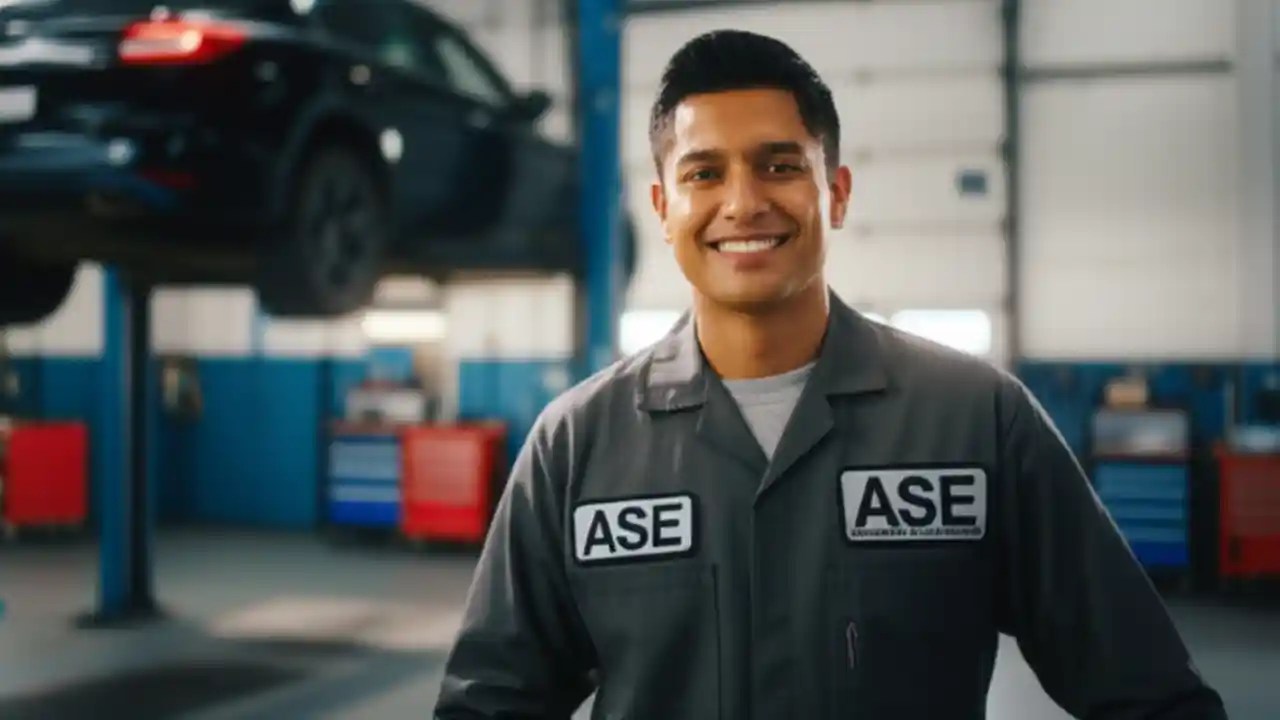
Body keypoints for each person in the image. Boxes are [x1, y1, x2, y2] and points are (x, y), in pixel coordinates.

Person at [434, 29, 1227, 720]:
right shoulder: (576, 447)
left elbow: (1148, 693)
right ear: (663, 206)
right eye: (704, 174)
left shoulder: (976, 420)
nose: (742, 203)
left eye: (779, 165)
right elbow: (492, 703)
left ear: (835, 193)